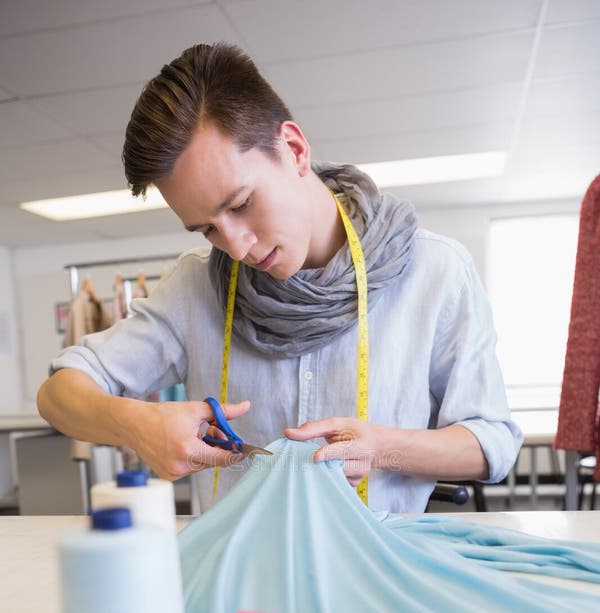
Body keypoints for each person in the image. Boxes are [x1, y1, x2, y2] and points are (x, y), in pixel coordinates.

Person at [37, 42, 522, 514]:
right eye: (207, 228)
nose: (237, 246)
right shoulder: (196, 286)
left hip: (377, 575)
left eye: (242, 204)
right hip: (237, 580)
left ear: (293, 149)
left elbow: (491, 443)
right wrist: (135, 424)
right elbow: (59, 393)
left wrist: (383, 448)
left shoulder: (435, 272)